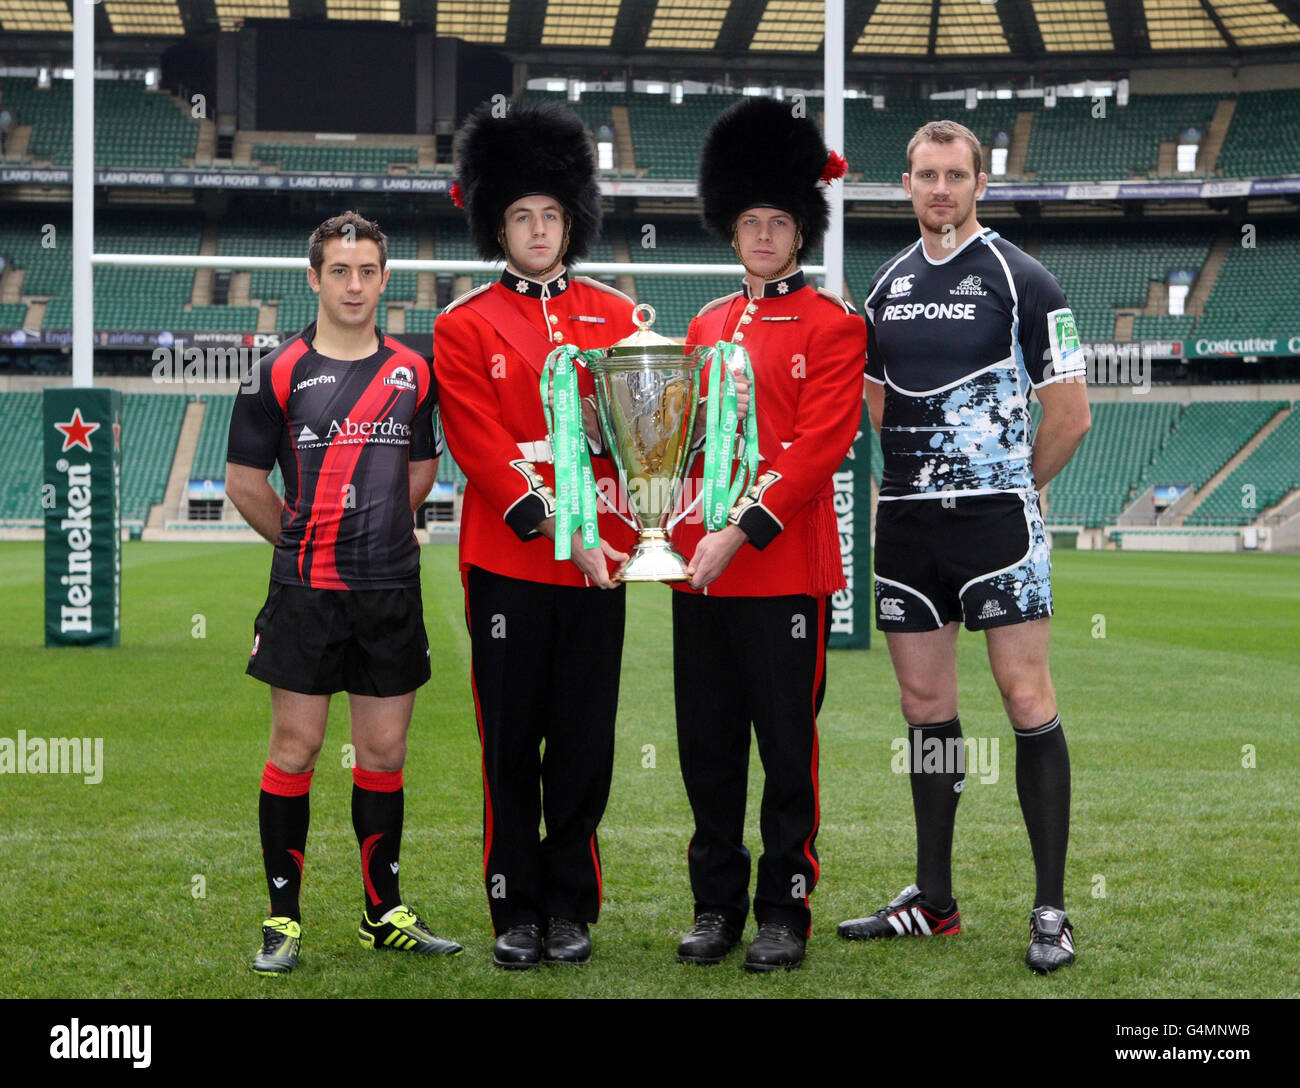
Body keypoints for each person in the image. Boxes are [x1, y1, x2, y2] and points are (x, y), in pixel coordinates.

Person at [838, 120, 1091, 973]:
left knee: (1025, 698)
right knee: (924, 709)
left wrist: (1012, 488)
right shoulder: (885, 287)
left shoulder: (1027, 282)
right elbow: (875, 405)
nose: (939, 189)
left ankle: (1051, 908)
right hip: (908, 525)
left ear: (980, 182)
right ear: (905, 184)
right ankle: (934, 901)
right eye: (924, 175)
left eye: (955, 174)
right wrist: (919, 475)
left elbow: (1070, 415)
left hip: (998, 526)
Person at [227, 210, 462, 974]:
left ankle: (381, 911)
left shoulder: (415, 370)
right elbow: (243, 483)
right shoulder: (277, 369)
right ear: (315, 278)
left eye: (367, 272)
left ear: (385, 279)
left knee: (386, 749)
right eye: (339, 271)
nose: (354, 284)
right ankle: (282, 920)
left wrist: (382, 524)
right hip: (306, 592)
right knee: (296, 750)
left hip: (389, 589)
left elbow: (422, 471)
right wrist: (301, 540)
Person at [433, 100, 637, 969]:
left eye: (552, 215)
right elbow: (477, 442)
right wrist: (560, 528)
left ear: (573, 218)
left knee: (585, 745)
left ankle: (571, 903)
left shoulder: (621, 319)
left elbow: (640, 434)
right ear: (497, 224)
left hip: (602, 569)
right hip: (513, 565)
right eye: (522, 216)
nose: (539, 230)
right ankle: (515, 907)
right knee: (511, 745)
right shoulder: (464, 324)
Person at [669, 96, 864, 972]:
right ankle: (715, 906)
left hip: (782, 574)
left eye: (778, 221)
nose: (761, 235)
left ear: (799, 231)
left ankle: (784, 908)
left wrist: (739, 531)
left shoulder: (834, 325)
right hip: (699, 575)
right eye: (749, 221)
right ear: (731, 226)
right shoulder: (705, 324)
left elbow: (820, 444)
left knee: (787, 754)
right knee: (707, 751)